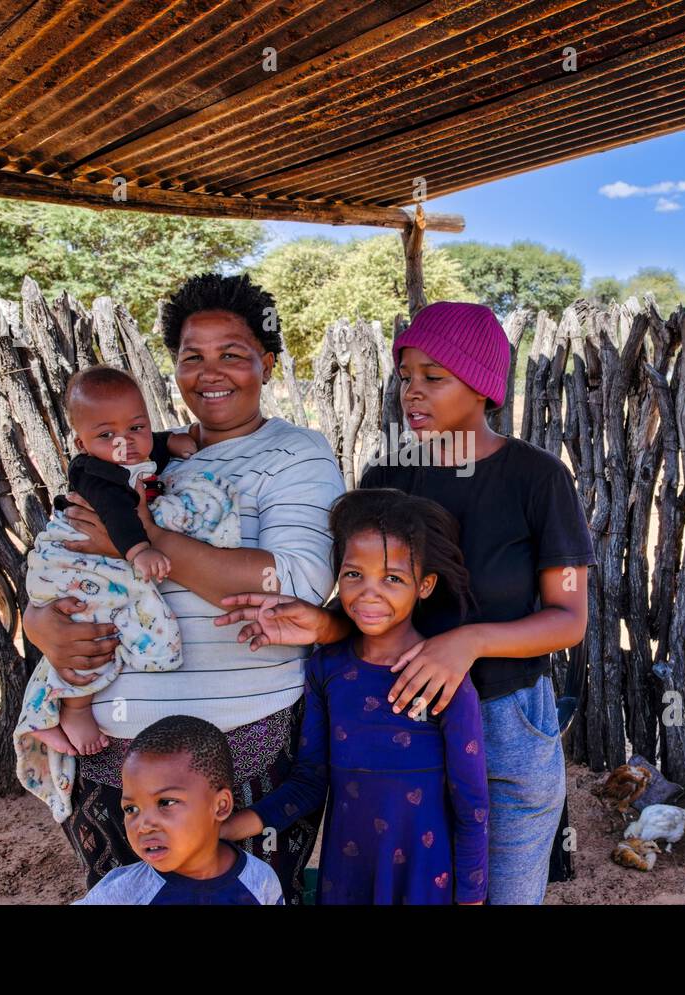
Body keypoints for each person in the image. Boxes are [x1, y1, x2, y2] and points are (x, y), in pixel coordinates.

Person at [217, 301, 595, 905]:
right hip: (393, 716)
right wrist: (323, 622)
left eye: (433, 377)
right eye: (405, 377)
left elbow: (569, 618)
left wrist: (465, 643)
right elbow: (368, 600)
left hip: (506, 715)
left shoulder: (539, 479)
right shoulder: (387, 475)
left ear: (483, 387)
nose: (412, 394)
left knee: (502, 895)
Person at [22, 273, 345, 899]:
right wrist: (38, 624)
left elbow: (297, 582)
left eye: (233, 353)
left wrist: (142, 535)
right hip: (115, 754)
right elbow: (66, 561)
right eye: (191, 356)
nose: (210, 370)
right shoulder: (137, 454)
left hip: (243, 747)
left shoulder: (296, 453)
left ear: (267, 363)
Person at [223, 489, 489, 904]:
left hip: (425, 878)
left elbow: (471, 801)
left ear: (425, 585)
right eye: (353, 574)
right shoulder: (327, 669)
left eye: (393, 578)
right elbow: (310, 780)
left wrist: (472, 895)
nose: (368, 593)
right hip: (347, 876)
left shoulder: (443, 678)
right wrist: (231, 827)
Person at [13, 365, 242, 822]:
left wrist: (169, 442)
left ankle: (50, 713)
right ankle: (73, 709)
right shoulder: (98, 475)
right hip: (79, 559)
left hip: (101, 556)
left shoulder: (128, 448)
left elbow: (147, 443)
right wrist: (140, 550)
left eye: (136, 426)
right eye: (107, 435)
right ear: (81, 445)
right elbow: (118, 517)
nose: (125, 443)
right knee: (91, 629)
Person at [73, 716, 283, 905]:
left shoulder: (260, 881)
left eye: (166, 803)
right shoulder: (124, 892)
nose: (144, 825)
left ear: (220, 806)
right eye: (131, 808)